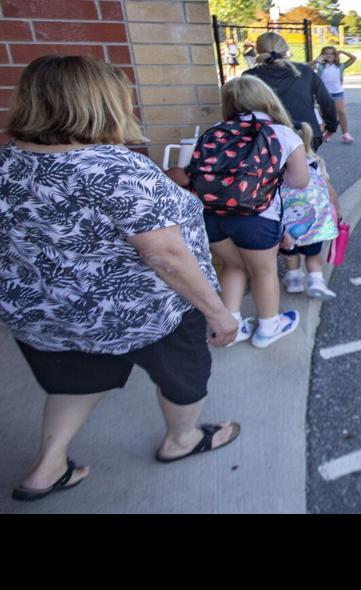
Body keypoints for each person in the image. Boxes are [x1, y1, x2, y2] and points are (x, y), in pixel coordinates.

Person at [0, 55, 242, 501]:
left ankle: (47, 468)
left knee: (75, 381)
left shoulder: (9, 160)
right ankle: (181, 441)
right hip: (144, 312)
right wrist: (218, 312)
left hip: (48, 312)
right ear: (101, 102)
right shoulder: (113, 168)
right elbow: (165, 255)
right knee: (184, 379)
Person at [178, 75, 310, 349]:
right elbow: (300, 181)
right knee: (264, 272)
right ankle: (268, 327)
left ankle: (231, 326)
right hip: (257, 216)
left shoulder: (215, 130)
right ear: (266, 98)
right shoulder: (282, 133)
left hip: (212, 215)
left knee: (233, 265)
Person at [244, 32, 338, 151]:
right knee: (307, 168)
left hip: (268, 136)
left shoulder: (250, 76)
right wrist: (331, 126)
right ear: (285, 48)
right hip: (306, 133)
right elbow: (326, 100)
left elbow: (243, 108)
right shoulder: (304, 71)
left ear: (258, 50)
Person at [280, 123, 342, 301]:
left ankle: (294, 279)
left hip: (288, 221)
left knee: (290, 253)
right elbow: (328, 190)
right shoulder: (316, 162)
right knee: (313, 255)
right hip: (314, 222)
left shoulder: (280, 164)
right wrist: (337, 208)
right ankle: (316, 281)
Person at [315, 45, 359, 144]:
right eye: (326, 53)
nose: (329, 56)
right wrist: (317, 60)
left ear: (335, 55)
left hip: (337, 93)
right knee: (323, 115)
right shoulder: (320, 66)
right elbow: (309, 66)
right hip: (324, 94)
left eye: (332, 53)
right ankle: (325, 132)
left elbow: (353, 58)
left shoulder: (340, 66)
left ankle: (345, 134)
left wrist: (342, 52)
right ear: (322, 55)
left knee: (341, 112)